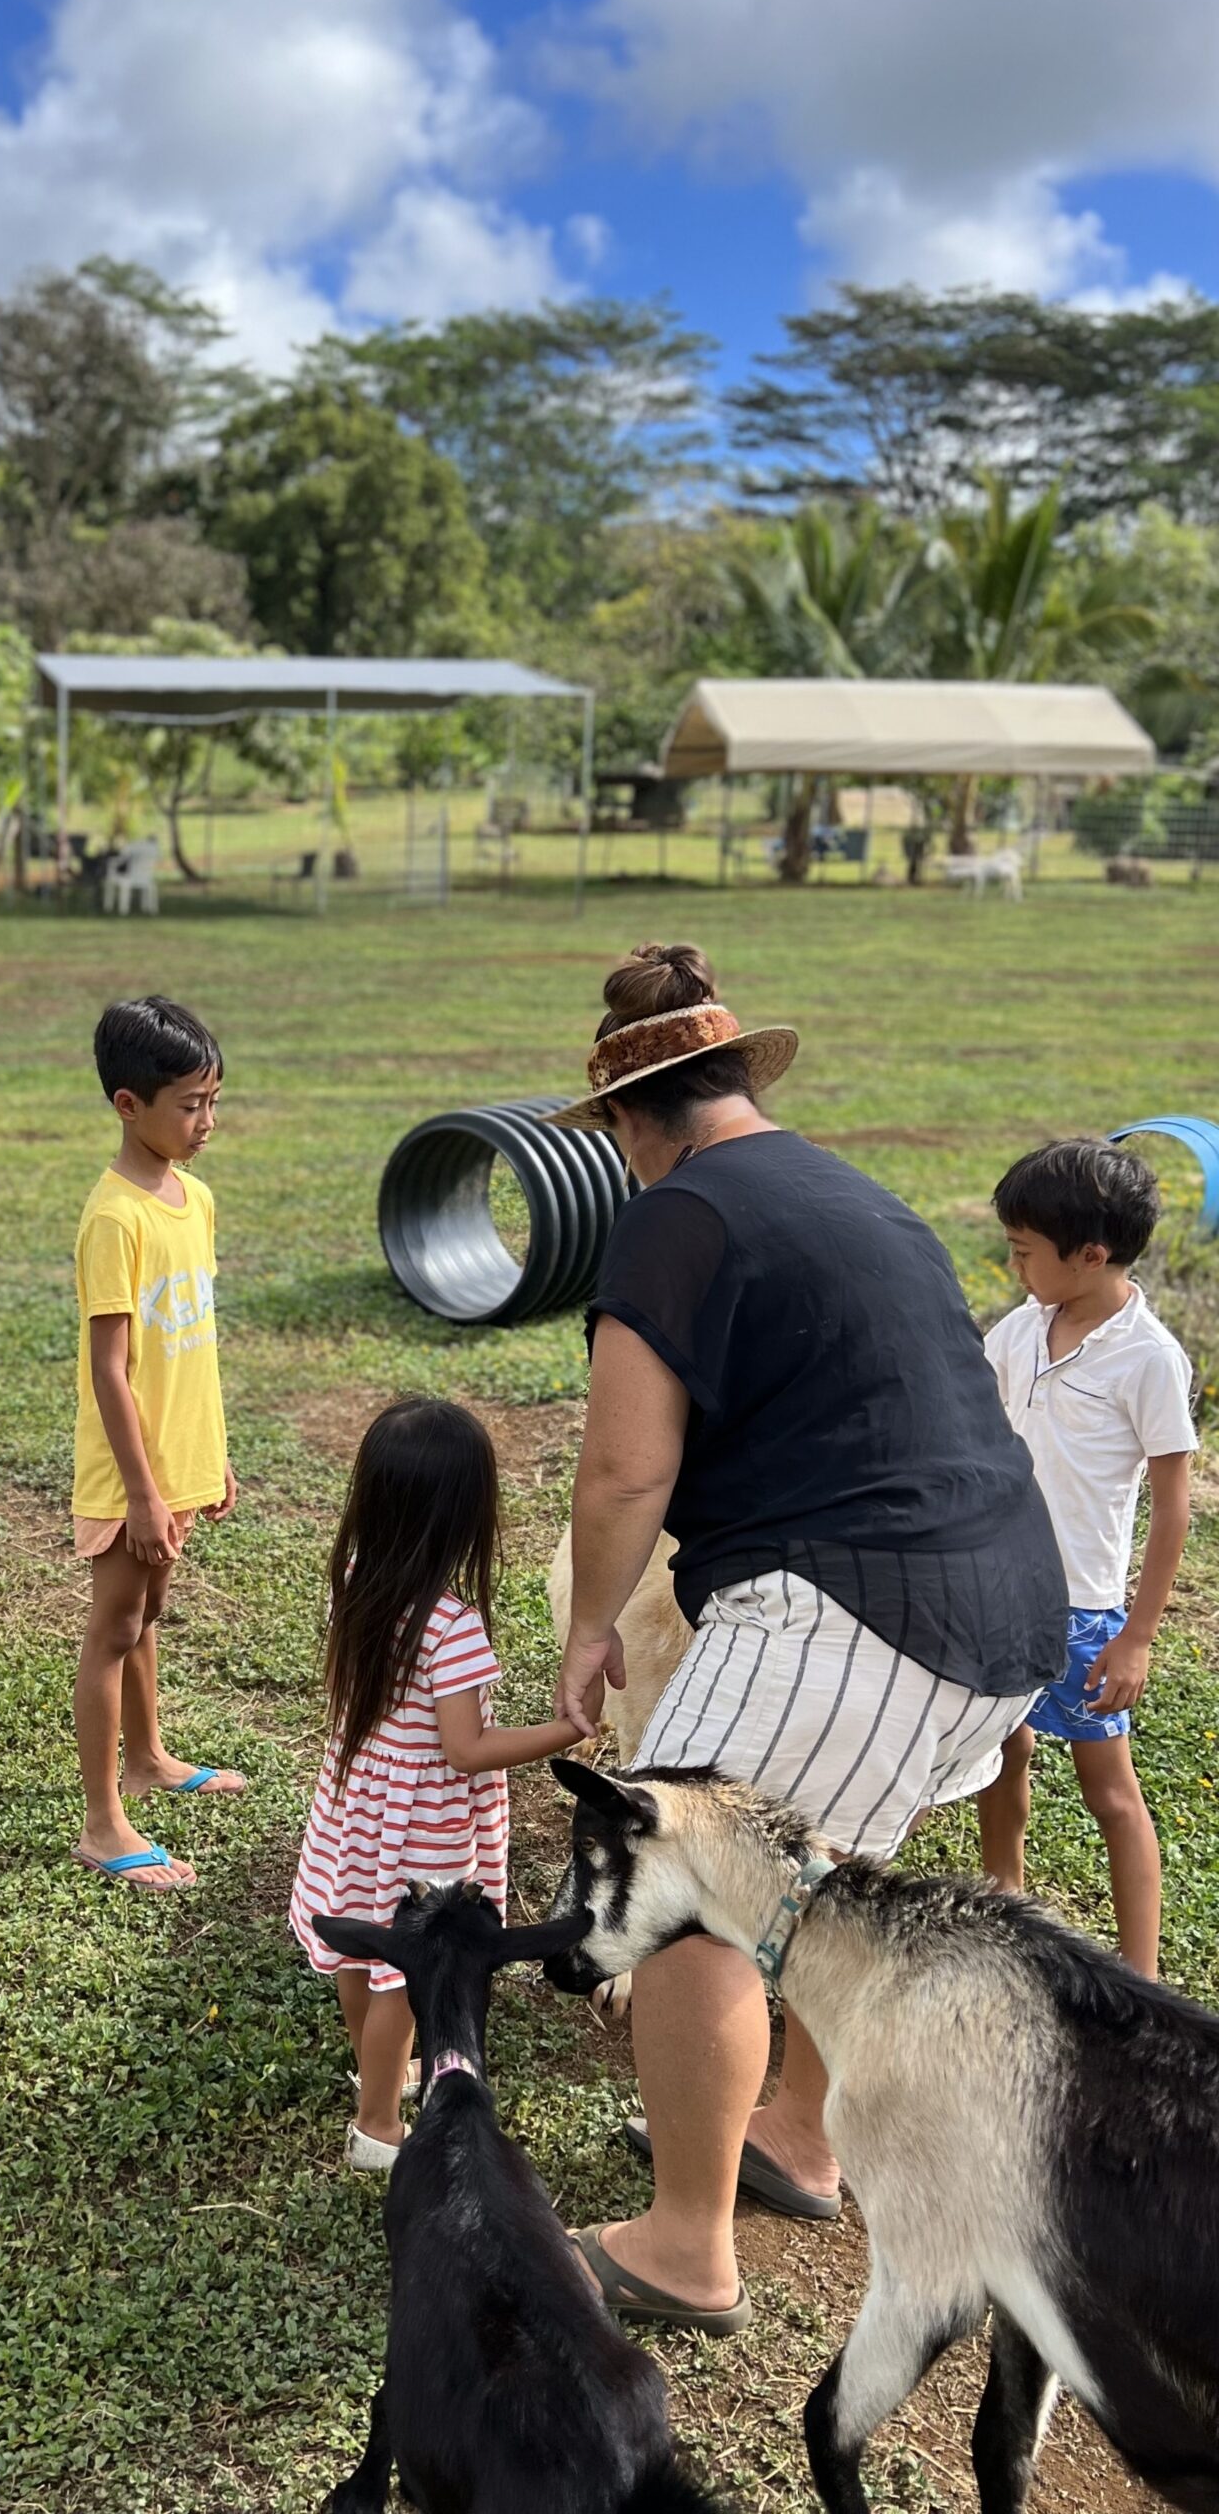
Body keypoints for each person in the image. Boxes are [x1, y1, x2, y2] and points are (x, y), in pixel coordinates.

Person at [553, 942, 1066, 2335]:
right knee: (815, 1883)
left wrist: (589, 1631)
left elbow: (621, 1475)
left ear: (629, 1122)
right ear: (735, 1079)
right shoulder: (854, 1190)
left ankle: (682, 2247)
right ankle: (798, 2136)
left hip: (857, 1604)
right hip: (1003, 1606)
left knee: (672, 1876)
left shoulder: (677, 1213)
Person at [288, 1399, 577, 2170]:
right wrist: (568, 1731)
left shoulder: (352, 1580)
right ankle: (380, 2127)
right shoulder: (453, 1628)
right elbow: (467, 1749)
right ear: (462, 1518)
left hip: (358, 1809)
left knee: (364, 1955)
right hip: (424, 1829)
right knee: (402, 1985)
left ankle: (374, 2074)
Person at [976, 1140, 1198, 1978]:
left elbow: (1173, 1506)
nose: (1013, 1264)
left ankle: (1140, 1980)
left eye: (1024, 1251)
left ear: (1092, 1255)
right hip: (1000, 1589)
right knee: (1000, 1754)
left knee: (1110, 1793)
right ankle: (1006, 1915)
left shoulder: (1148, 1358)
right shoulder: (1021, 1328)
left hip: (1084, 1610)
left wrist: (1136, 1635)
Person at [69, 996, 243, 1894]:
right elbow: (111, 1370)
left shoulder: (194, 1199)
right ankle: (104, 1822)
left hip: (176, 1465)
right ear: (128, 1105)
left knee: (150, 1620)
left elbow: (193, 1346)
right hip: (128, 1476)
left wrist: (205, 1457)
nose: (206, 1121)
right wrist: (140, 1490)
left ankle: (150, 1758)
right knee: (113, 1631)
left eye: (214, 1100)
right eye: (189, 1104)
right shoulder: (115, 1219)